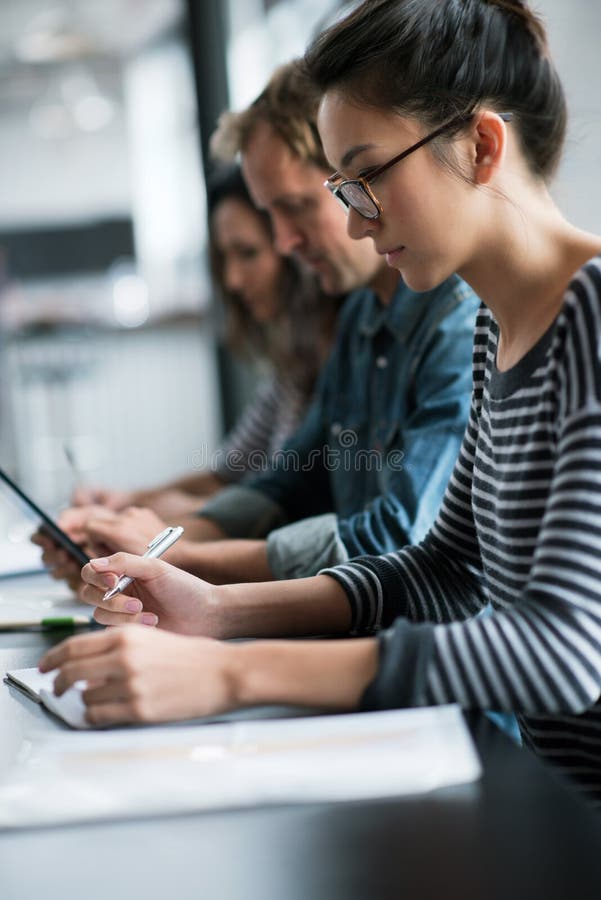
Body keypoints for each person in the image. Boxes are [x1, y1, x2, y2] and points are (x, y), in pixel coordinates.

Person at [40, 0, 601, 805]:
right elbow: (443, 570)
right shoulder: (499, 333)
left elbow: (561, 651)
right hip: (544, 805)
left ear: (479, 147)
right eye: (342, 187)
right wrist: (218, 612)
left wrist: (226, 672)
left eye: (367, 177)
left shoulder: (588, 318)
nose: (353, 219)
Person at [43, 59, 479, 589]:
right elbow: (286, 481)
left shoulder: (459, 323)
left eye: (295, 208)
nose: (284, 244)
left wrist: (184, 556)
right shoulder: (366, 314)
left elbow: (396, 537)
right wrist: (161, 544)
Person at [70, 164, 339, 520]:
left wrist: (176, 517)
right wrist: (126, 502)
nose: (232, 280)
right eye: (224, 258)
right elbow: (228, 473)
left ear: (293, 246)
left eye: (247, 253)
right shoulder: (291, 361)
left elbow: (297, 512)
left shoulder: (341, 353)